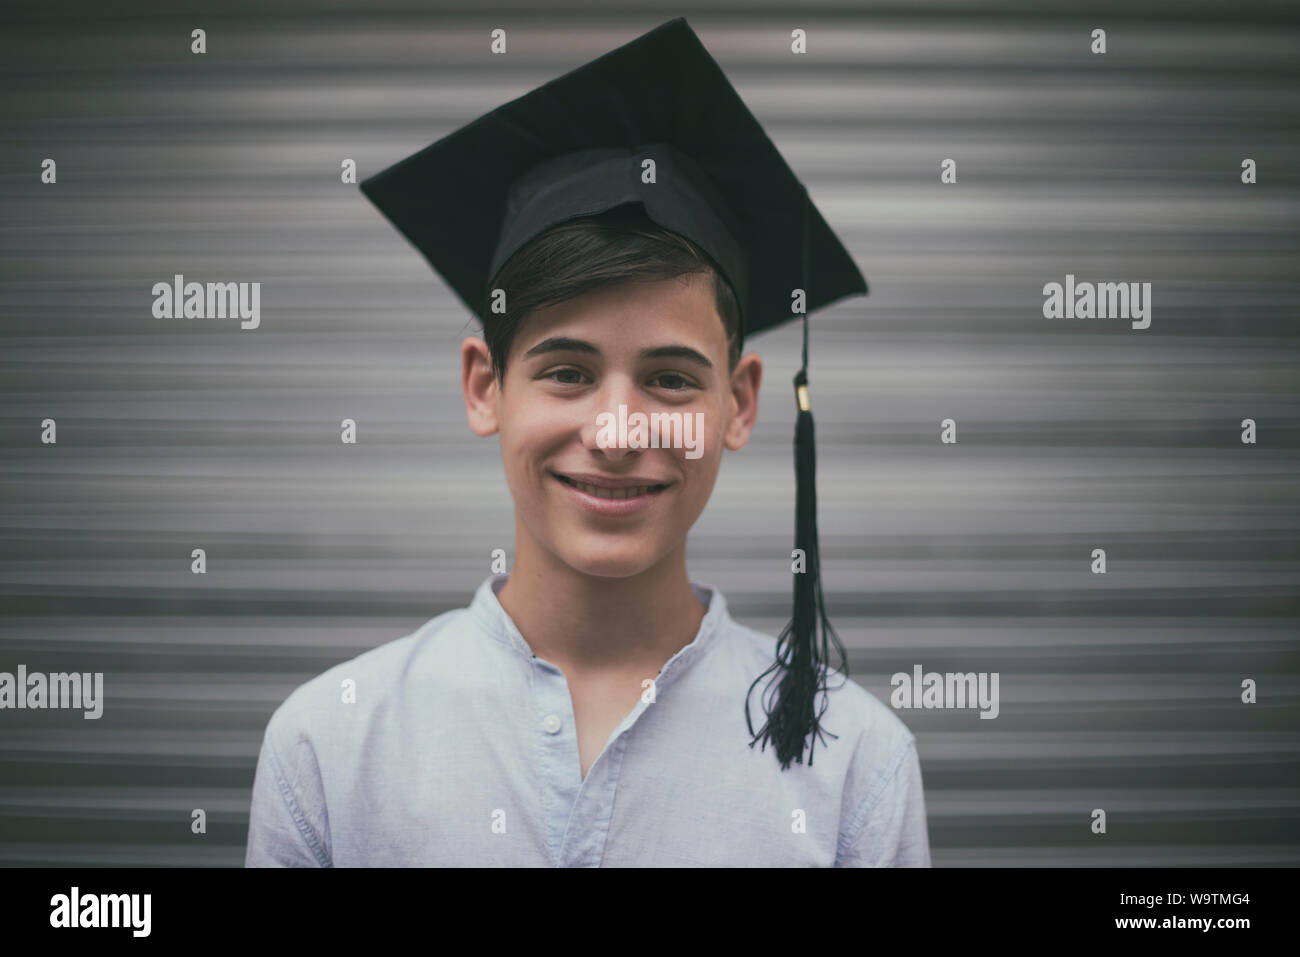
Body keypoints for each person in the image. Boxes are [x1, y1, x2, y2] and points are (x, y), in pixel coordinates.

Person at [245, 17, 930, 867]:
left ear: (741, 402)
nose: (615, 430)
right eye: (566, 371)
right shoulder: (330, 750)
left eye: (671, 378)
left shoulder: (855, 767)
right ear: (484, 386)